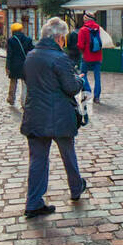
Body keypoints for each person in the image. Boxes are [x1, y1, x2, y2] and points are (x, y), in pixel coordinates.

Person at [20, 17, 89, 219]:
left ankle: (33, 202)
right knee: (69, 155)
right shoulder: (60, 58)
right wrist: (78, 79)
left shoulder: (31, 56)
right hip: (60, 115)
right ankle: (76, 189)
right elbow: (71, 87)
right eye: (64, 38)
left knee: (37, 160)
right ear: (59, 38)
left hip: (35, 115)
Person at [76, 11, 104, 103]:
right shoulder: (97, 28)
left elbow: (80, 45)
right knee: (97, 76)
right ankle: (97, 97)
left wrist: (83, 51)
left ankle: (87, 92)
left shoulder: (83, 30)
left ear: (85, 19)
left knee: (83, 73)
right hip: (98, 56)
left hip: (87, 56)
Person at [5, 21, 34, 107]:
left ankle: (11, 99)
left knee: (13, 82)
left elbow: (9, 54)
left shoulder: (11, 40)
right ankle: (24, 101)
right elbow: (31, 52)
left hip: (14, 65)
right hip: (25, 64)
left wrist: (7, 67)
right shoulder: (28, 39)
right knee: (25, 84)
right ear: (21, 30)